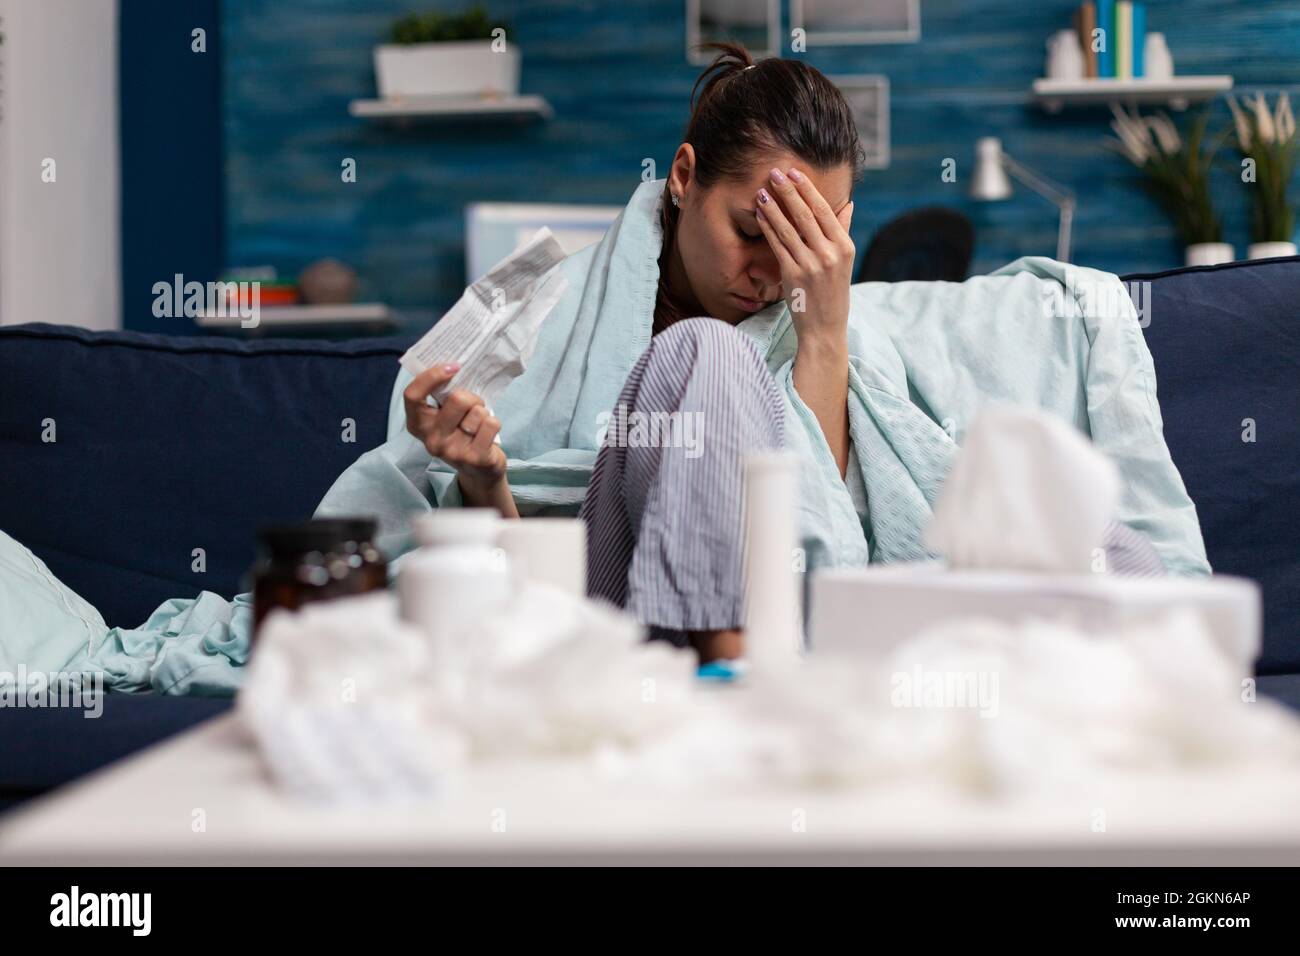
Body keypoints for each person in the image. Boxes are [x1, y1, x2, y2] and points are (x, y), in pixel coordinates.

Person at [0, 43, 1202, 696]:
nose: (773, 267)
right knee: (700, 357)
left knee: (1109, 559)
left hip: (813, 596)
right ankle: (720, 690)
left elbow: (846, 512)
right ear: (681, 175)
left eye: (811, 239)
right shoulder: (533, 296)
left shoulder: (812, 311)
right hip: (616, 622)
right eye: (754, 227)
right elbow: (492, 561)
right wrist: (478, 475)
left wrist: (826, 327)